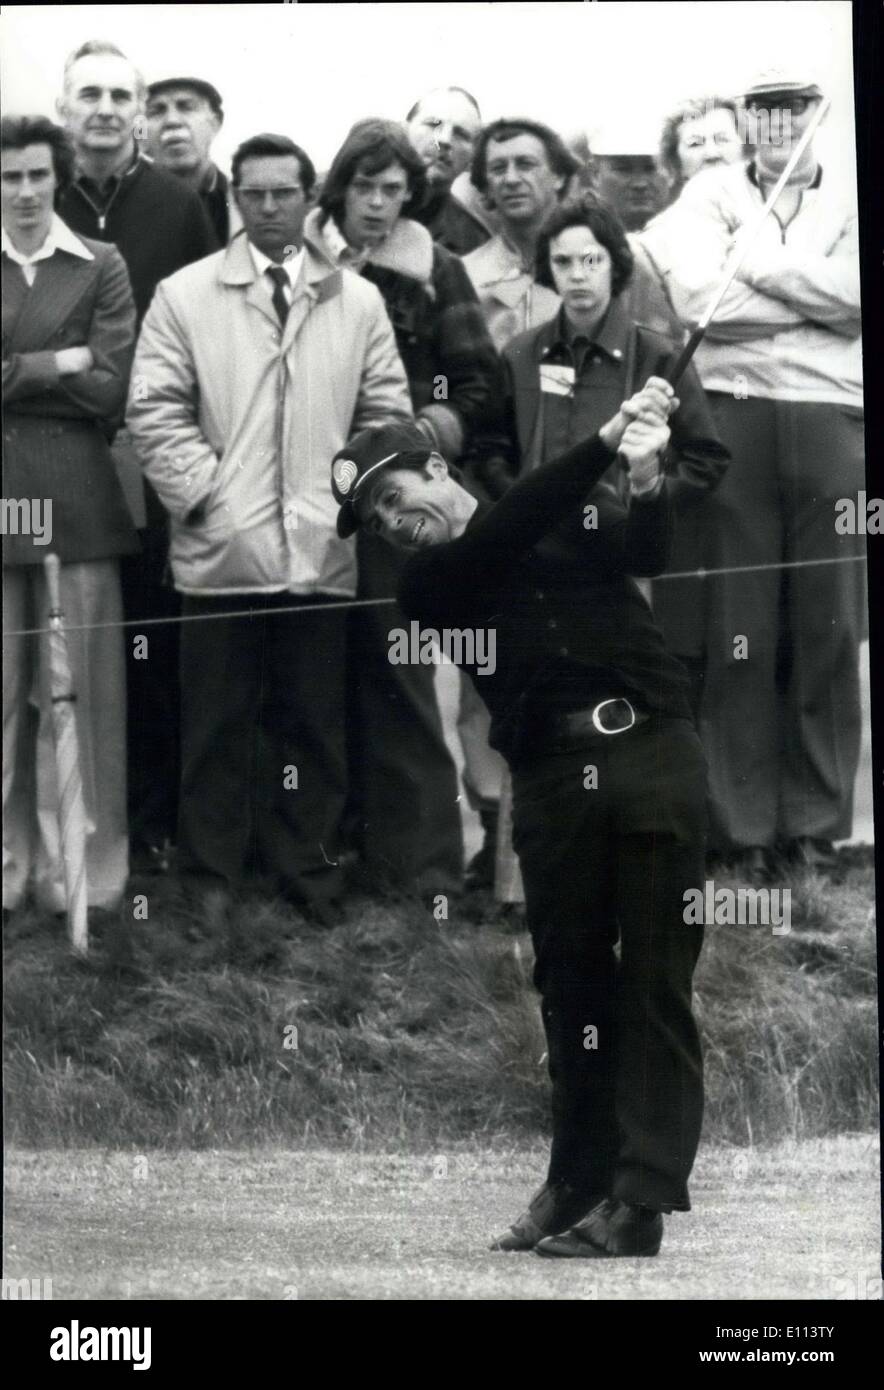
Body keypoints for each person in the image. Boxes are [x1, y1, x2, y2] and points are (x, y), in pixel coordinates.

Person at [329, 373, 708, 1258]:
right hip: (550, 777)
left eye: (393, 496)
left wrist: (644, 474)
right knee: (571, 984)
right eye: (376, 520)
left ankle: (640, 1200)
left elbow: (645, 549)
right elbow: (505, 531)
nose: (392, 523)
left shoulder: (561, 508)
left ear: (435, 467)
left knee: (656, 976)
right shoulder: (432, 585)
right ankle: (575, 1181)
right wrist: (603, 440)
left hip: (651, 749)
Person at [126, 133, 413, 922]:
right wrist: (207, 496)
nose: (269, 207)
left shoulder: (357, 301)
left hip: (320, 549)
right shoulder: (185, 295)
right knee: (214, 726)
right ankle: (209, 880)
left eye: (284, 192)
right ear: (234, 199)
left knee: (312, 724)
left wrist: (347, 503)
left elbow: (386, 414)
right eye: (252, 194)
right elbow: (153, 409)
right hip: (222, 550)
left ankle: (308, 874)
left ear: (310, 197)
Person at [639, 67, 864, 877]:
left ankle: (814, 826)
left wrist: (757, 260)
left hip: (834, 415)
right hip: (733, 410)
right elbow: (704, 306)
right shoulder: (707, 196)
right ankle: (740, 829)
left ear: (816, 115)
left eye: (793, 110)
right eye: (763, 111)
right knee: (740, 623)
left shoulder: (850, 194)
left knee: (827, 622)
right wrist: (817, 303)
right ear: (748, 121)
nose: (778, 125)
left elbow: (861, 298)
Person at [308, 118, 500, 895]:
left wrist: (418, 438)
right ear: (339, 188)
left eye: (394, 190)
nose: (378, 204)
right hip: (299, 492)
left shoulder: (435, 269)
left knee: (403, 672)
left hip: (392, 498)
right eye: (365, 186)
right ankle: (323, 855)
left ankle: (419, 867)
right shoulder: (298, 260)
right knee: (314, 674)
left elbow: (480, 385)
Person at [56, 40, 218, 875]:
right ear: (64, 108)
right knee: (60, 639)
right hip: (51, 451)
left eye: (123, 95)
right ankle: (64, 822)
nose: (107, 109)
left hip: (149, 450)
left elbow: (207, 332)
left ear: (140, 112)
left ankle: (152, 822)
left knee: (151, 635)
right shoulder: (33, 195)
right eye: (90, 94)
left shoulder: (176, 205)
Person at [2, 116, 138, 916]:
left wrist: (15, 372)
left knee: (82, 695)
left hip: (76, 502)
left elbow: (111, 387)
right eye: (8, 177)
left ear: (59, 179)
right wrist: (60, 359)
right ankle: (7, 869)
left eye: (36, 176)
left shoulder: (101, 263)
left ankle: (84, 876)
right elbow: (82, 374)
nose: (24, 192)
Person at [463, 118, 578, 350]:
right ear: (486, 186)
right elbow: (445, 368)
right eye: (498, 169)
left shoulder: (598, 261)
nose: (511, 179)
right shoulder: (464, 275)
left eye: (525, 165)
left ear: (558, 176)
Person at [145, 73, 240, 244]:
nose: (172, 121)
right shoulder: (122, 211)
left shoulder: (249, 207)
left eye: (186, 107)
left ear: (215, 122)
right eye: (156, 111)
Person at [405, 86, 492, 256]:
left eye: (461, 134)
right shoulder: (356, 200)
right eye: (432, 124)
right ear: (404, 129)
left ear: (473, 154)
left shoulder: (475, 244)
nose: (444, 140)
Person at [588, 119, 672, 231]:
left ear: (671, 172)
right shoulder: (574, 237)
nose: (640, 184)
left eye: (651, 168)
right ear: (595, 173)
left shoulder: (691, 236)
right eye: (623, 169)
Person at [658, 95, 745, 202]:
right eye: (695, 144)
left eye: (722, 139)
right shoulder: (676, 213)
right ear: (675, 163)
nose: (712, 154)